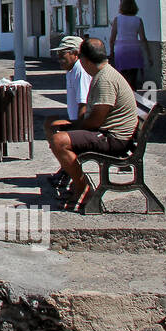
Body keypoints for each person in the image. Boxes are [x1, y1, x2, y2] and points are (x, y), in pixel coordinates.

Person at [48, 37, 141, 210]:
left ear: (84, 60)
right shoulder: (103, 74)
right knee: (57, 131)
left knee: (59, 141)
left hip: (114, 138)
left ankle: (85, 191)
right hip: (110, 133)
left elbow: (95, 121)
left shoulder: (105, 79)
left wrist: (72, 129)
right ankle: (78, 186)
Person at [45, 36, 90, 191]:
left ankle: (74, 177)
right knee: (49, 124)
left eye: (62, 54)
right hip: (77, 120)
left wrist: (74, 129)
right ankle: (66, 168)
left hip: (84, 124)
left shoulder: (80, 71)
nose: (59, 58)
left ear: (75, 53)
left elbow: (83, 105)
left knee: (58, 138)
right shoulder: (71, 70)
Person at [109, 0, 153, 89]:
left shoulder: (117, 20)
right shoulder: (138, 20)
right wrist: (149, 55)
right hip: (134, 51)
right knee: (133, 77)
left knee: (122, 78)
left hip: (121, 50)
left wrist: (111, 52)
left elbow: (112, 38)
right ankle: (133, 97)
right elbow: (143, 39)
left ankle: (124, 98)